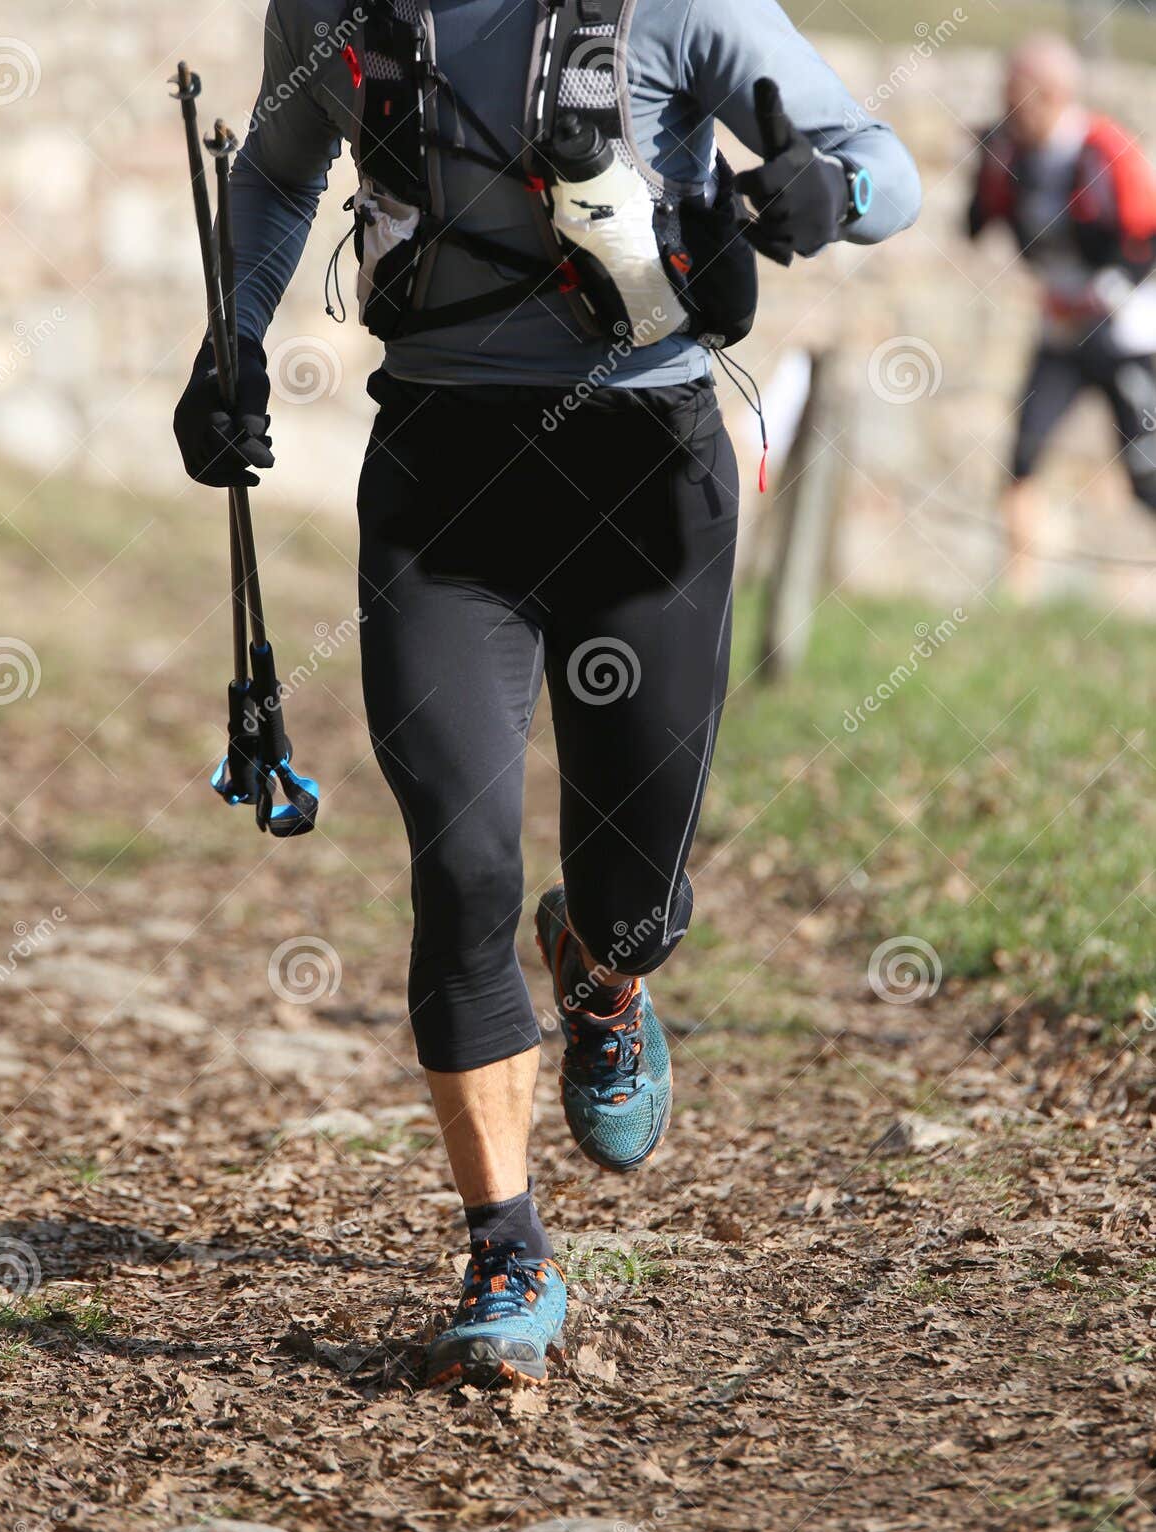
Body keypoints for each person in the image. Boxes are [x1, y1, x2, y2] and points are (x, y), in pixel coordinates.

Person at [175, 0, 920, 1389]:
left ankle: (601, 967)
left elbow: (887, 167)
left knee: (633, 896)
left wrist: (831, 188)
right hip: (443, 488)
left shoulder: (678, 9)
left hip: (646, 485)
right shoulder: (335, 12)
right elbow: (278, 171)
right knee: (457, 870)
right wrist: (227, 339)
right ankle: (503, 1246)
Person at [967, 32, 1156, 594]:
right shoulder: (1012, 157)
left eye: (1014, 97)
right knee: (1023, 453)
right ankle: (1017, 595)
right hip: (1060, 334)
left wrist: (1103, 294)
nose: (1005, 110)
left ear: (1050, 94)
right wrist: (982, 169)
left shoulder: (1106, 148)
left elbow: (1146, 238)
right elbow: (977, 225)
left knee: (1146, 475)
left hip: (1128, 335)